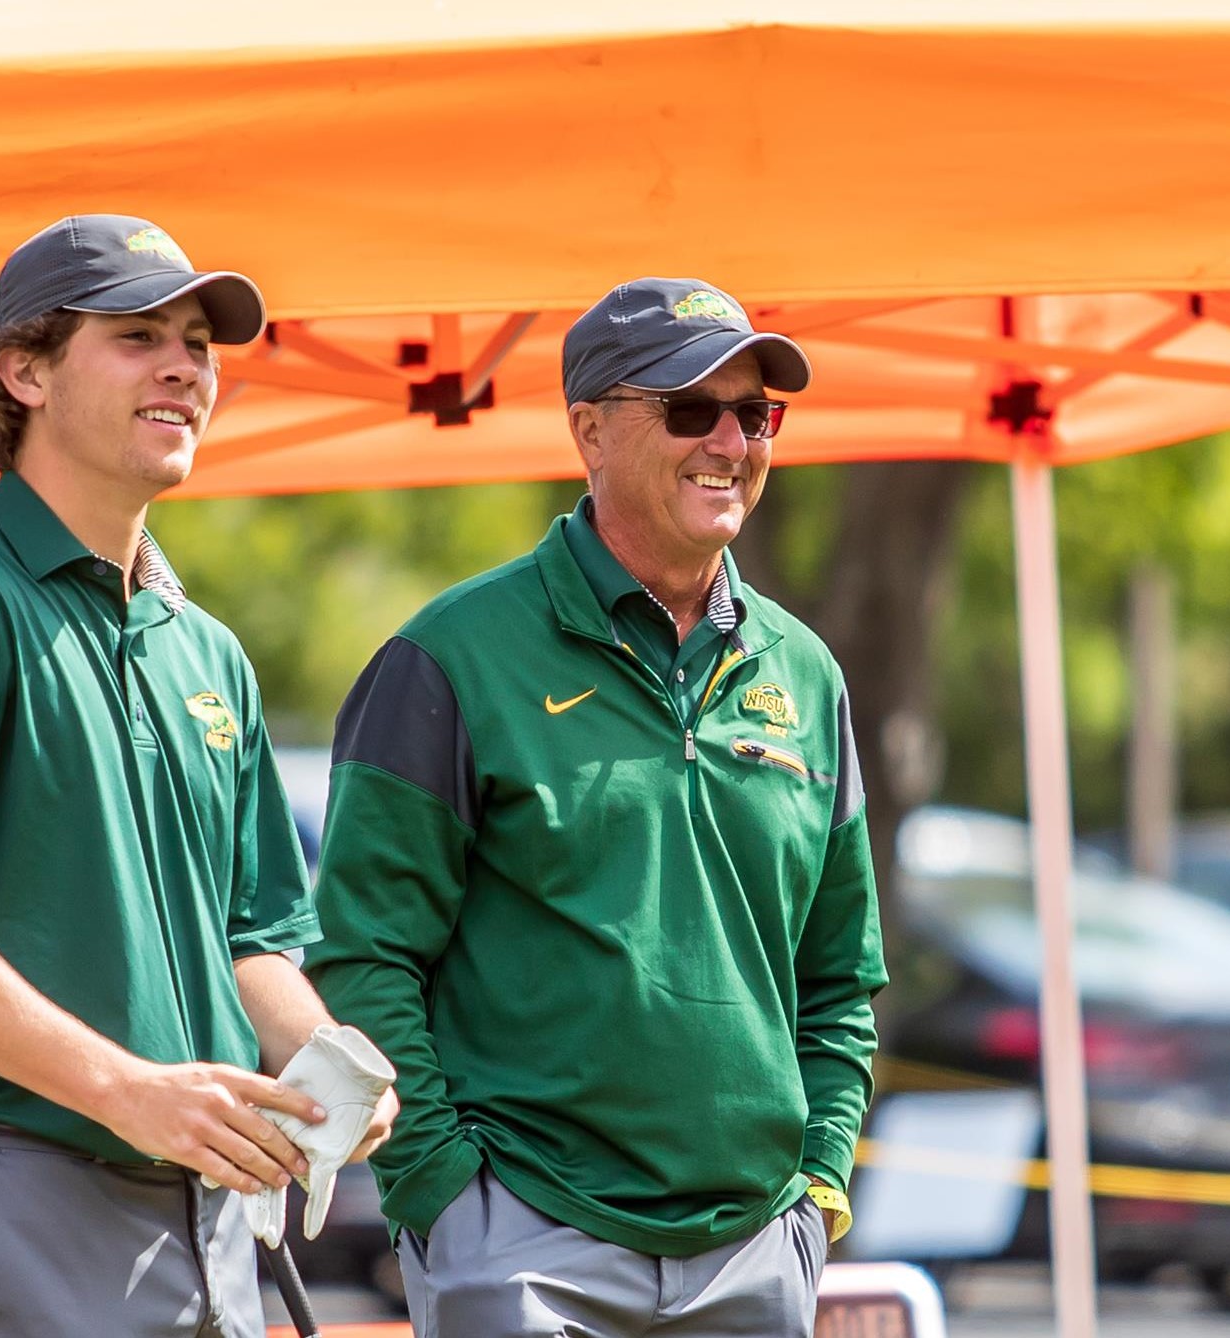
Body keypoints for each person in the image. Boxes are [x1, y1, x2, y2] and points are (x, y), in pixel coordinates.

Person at [0, 213, 393, 1338]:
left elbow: (249, 941)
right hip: (22, 1193)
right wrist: (129, 1092)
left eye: (199, 345)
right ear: (25, 373)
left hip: (213, 1211)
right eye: (138, 336)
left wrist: (324, 1059)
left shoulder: (207, 650)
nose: (186, 367)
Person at [305, 278, 888, 1336]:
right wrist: (445, 1194)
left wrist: (817, 1184)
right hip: (523, 1244)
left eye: (755, 413)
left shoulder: (807, 672)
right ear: (589, 431)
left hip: (756, 1250)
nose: (730, 441)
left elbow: (840, 974)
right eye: (689, 409)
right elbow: (362, 955)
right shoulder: (449, 658)